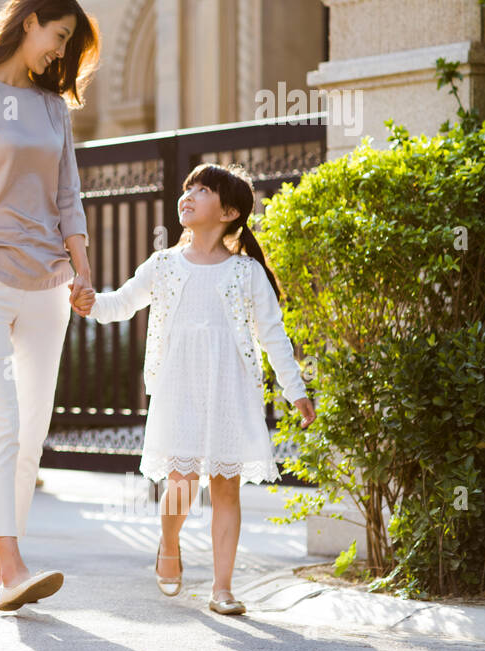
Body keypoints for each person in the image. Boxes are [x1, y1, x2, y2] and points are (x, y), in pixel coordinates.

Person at [77, 163, 316, 615]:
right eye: (187, 188)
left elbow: (273, 336)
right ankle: (169, 543)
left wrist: (295, 389)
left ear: (228, 211)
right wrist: (91, 304)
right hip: (179, 386)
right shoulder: (164, 264)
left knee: (226, 487)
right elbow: (122, 303)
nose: (187, 195)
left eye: (201, 190)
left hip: (231, 389)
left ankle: (222, 589)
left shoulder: (247, 273)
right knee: (183, 483)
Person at [0, 0, 101, 610]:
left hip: (48, 283)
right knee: (0, 422)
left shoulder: (51, 109)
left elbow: (68, 195)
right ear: (31, 21)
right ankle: (8, 561)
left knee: (31, 430)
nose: (60, 54)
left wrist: (83, 271)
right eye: (60, 37)